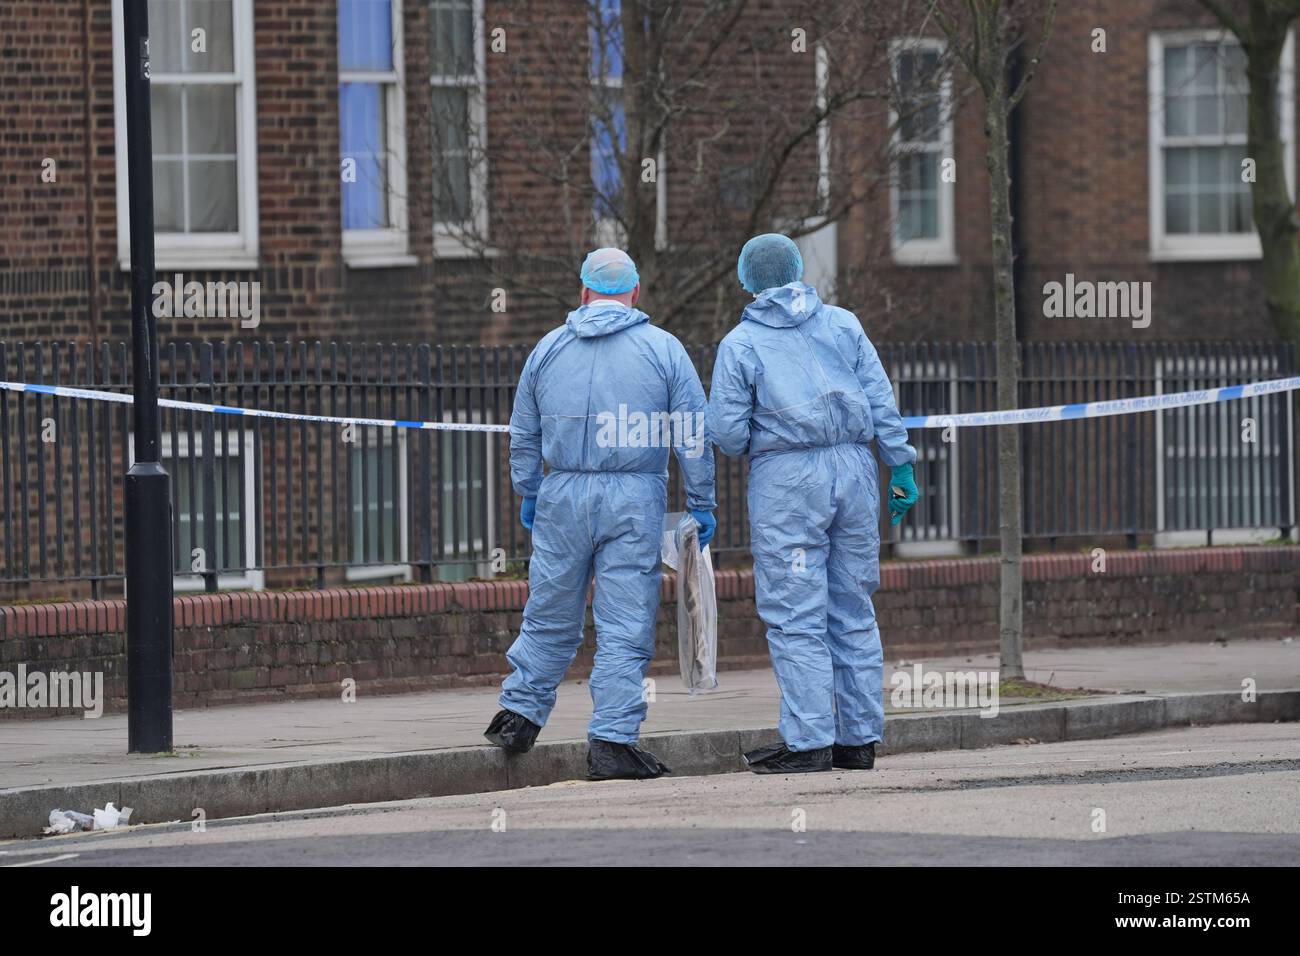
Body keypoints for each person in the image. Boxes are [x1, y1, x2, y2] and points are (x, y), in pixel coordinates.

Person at [485, 248, 717, 781]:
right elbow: (692, 437)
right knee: (624, 621)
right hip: (633, 496)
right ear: (634, 293)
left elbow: (523, 431)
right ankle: (611, 740)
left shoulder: (548, 349)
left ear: (584, 293)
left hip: (562, 493)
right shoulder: (664, 350)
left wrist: (529, 490)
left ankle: (518, 716)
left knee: (549, 609)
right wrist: (702, 503)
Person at [707, 233, 918, 774]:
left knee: (795, 612)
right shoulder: (843, 323)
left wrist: (764, 435)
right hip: (854, 470)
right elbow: (879, 397)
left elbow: (727, 434)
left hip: (788, 481)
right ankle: (859, 740)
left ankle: (808, 742)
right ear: (800, 272)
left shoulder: (741, 344)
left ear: (747, 281)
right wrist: (900, 463)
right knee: (852, 608)